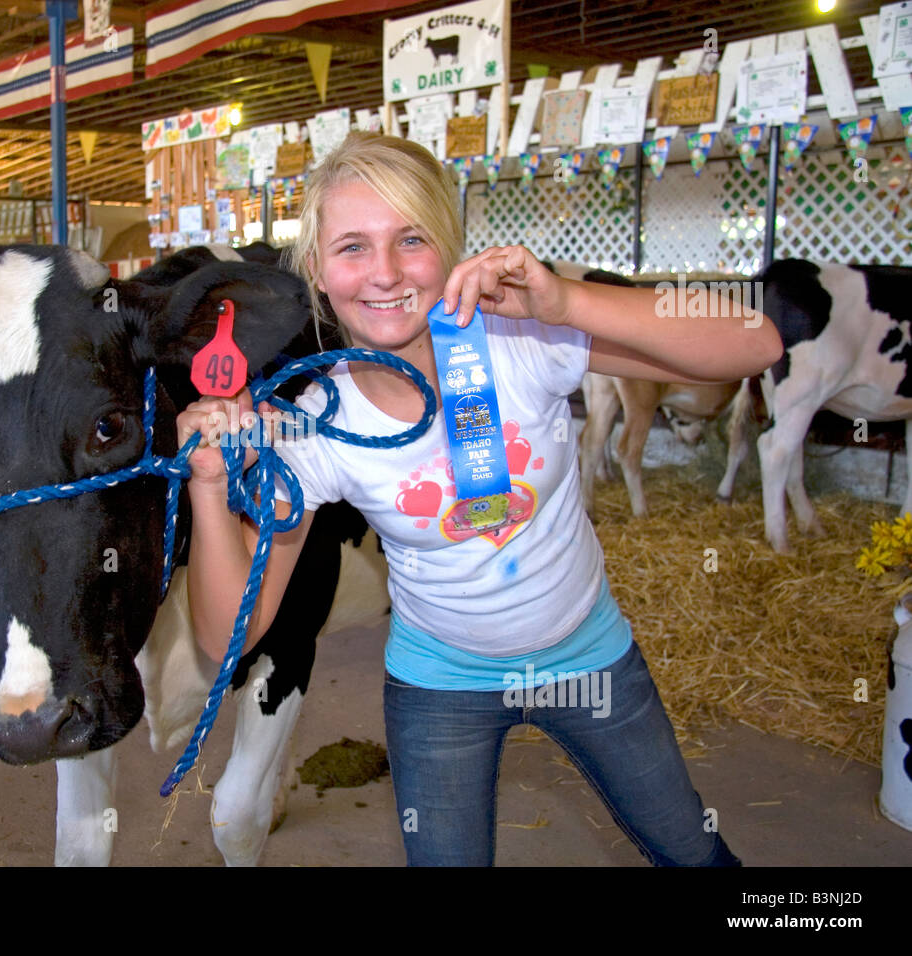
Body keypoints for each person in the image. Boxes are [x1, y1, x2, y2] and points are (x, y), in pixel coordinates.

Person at [177, 132, 783, 867]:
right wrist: (210, 489)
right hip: (441, 685)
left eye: (411, 239)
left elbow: (758, 343)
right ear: (317, 270)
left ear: (451, 248)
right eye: (352, 248)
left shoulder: (521, 337)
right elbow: (227, 638)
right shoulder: (318, 425)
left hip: (589, 657)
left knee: (694, 851)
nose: (387, 273)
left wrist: (569, 300)